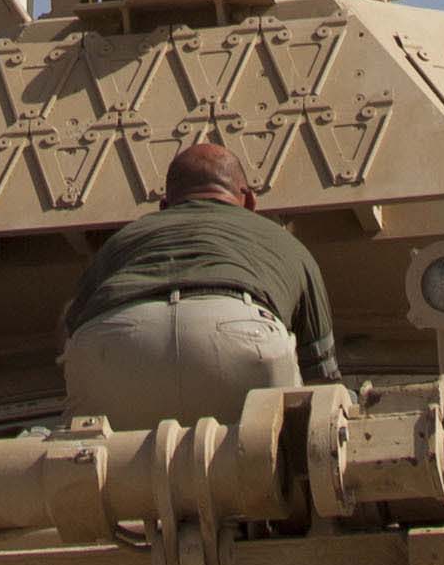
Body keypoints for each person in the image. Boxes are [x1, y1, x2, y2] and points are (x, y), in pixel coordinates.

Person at [59, 138, 339, 428]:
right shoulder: (283, 241)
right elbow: (321, 373)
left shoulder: (121, 241)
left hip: (114, 348)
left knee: (84, 455)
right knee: (295, 441)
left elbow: (71, 326)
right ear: (249, 200)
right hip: (239, 338)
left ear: (165, 206)